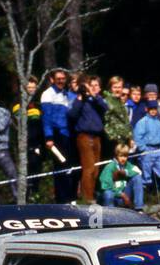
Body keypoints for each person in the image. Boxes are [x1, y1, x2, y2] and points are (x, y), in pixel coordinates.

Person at [68, 75, 109, 203]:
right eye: (91, 86)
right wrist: (81, 98)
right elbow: (72, 115)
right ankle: (88, 198)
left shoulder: (98, 100)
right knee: (89, 168)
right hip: (84, 136)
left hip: (97, 137)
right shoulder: (79, 100)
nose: (94, 88)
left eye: (96, 86)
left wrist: (93, 95)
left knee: (96, 169)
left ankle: (91, 194)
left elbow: (105, 108)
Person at [40, 68, 76, 202]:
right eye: (58, 79)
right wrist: (49, 137)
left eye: (63, 79)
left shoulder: (67, 94)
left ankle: (70, 197)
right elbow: (46, 118)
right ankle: (61, 199)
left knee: (69, 167)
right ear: (52, 79)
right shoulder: (48, 94)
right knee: (61, 167)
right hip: (56, 135)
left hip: (67, 134)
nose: (61, 81)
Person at [133, 98, 160, 190]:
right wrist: (143, 149)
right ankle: (145, 195)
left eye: (155, 109)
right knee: (146, 174)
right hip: (147, 151)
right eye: (151, 109)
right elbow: (137, 137)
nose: (153, 111)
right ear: (147, 109)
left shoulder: (158, 122)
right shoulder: (142, 122)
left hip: (158, 150)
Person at [98, 143, 144, 208]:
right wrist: (122, 195)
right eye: (121, 156)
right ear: (116, 155)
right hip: (114, 196)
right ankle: (111, 214)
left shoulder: (128, 165)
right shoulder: (109, 167)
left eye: (125, 156)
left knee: (137, 177)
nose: (123, 159)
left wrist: (125, 172)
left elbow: (138, 172)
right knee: (108, 193)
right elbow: (106, 186)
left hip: (124, 195)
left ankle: (139, 208)